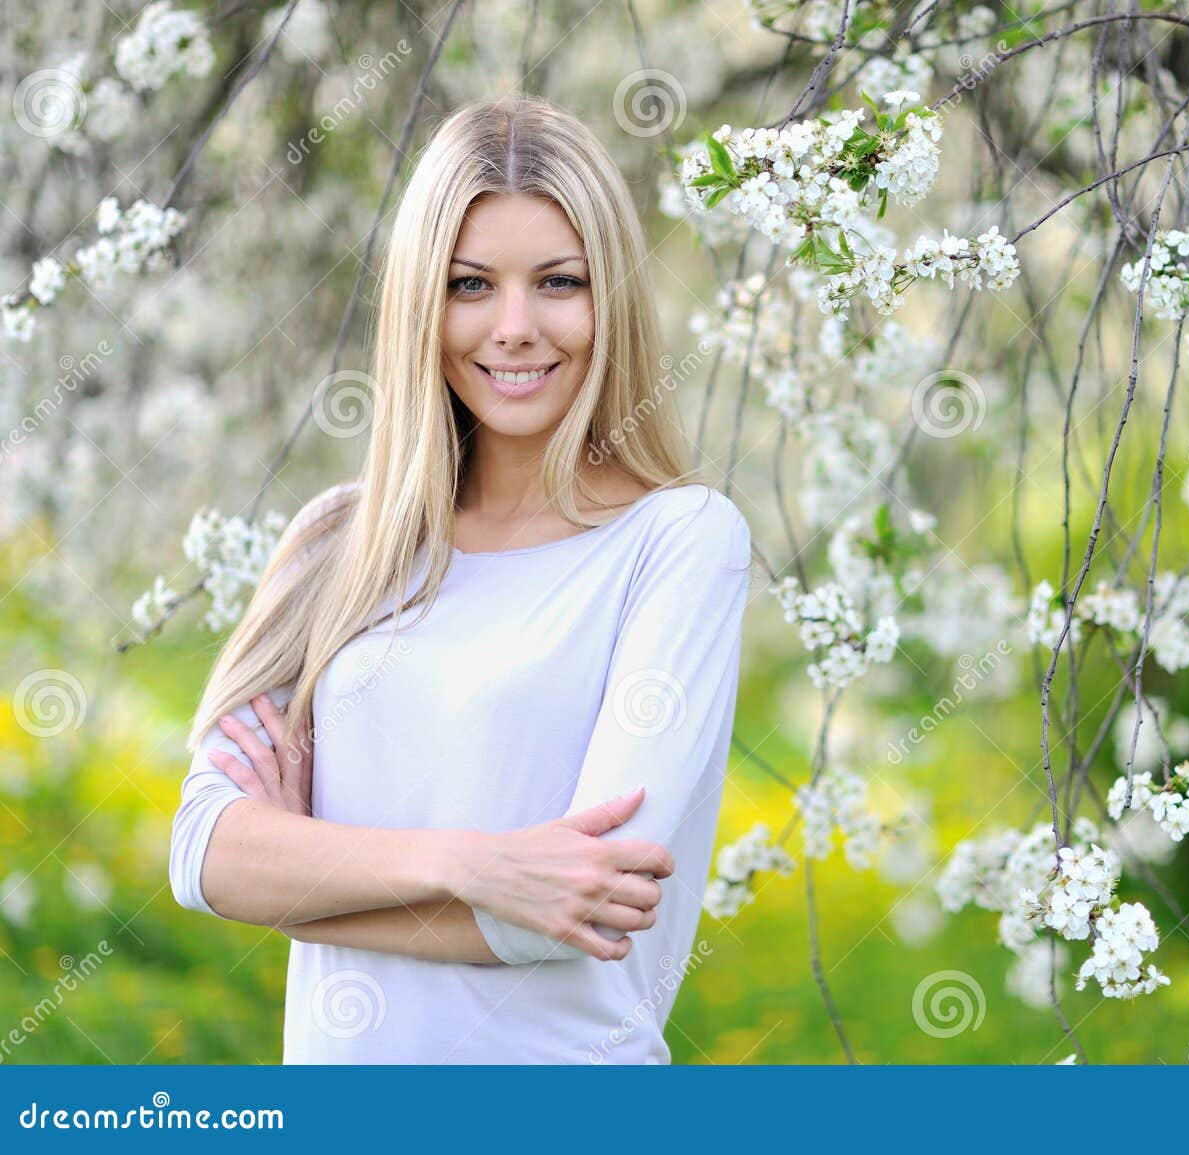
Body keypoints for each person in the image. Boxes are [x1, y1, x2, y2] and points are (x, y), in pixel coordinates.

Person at [168, 94, 757, 1064]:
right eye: (471, 284)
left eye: (559, 282)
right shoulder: (340, 544)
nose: (516, 326)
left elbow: (567, 912)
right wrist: (473, 864)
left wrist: (300, 883)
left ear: (609, 297)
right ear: (419, 303)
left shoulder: (680, 541)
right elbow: (203, 857)